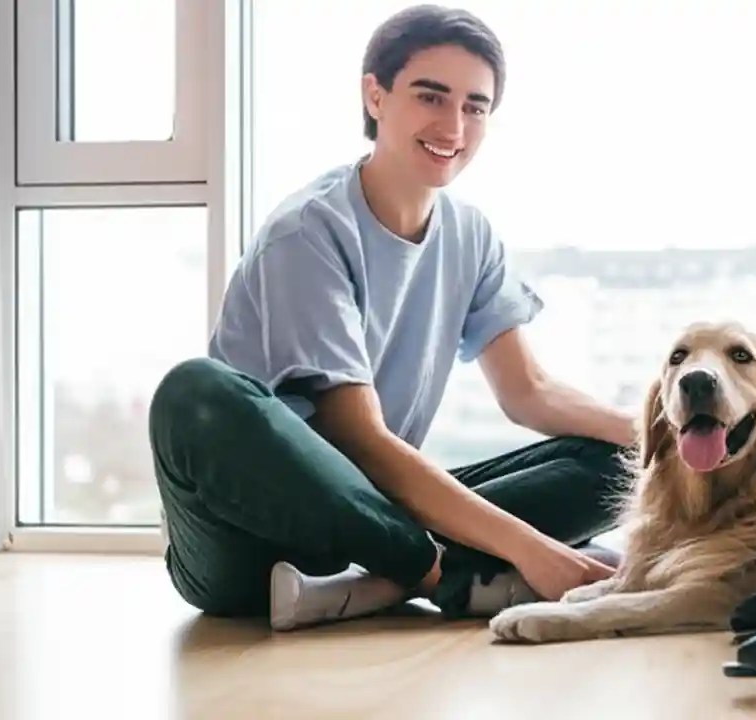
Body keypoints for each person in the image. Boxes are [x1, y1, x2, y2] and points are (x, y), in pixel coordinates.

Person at [148, 4, 636, 631]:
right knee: (194, 393)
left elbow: (529, 393)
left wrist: (659, 436)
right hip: (250, 544)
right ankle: (443, 576)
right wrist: (530, 547)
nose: (454, 125)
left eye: (475, 106)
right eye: (430, 97)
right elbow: (360, 439)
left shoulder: (471, 235)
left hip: (376, 518)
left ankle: (370, 586)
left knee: (623, 458)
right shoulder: (308, 232)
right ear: (374, 96)